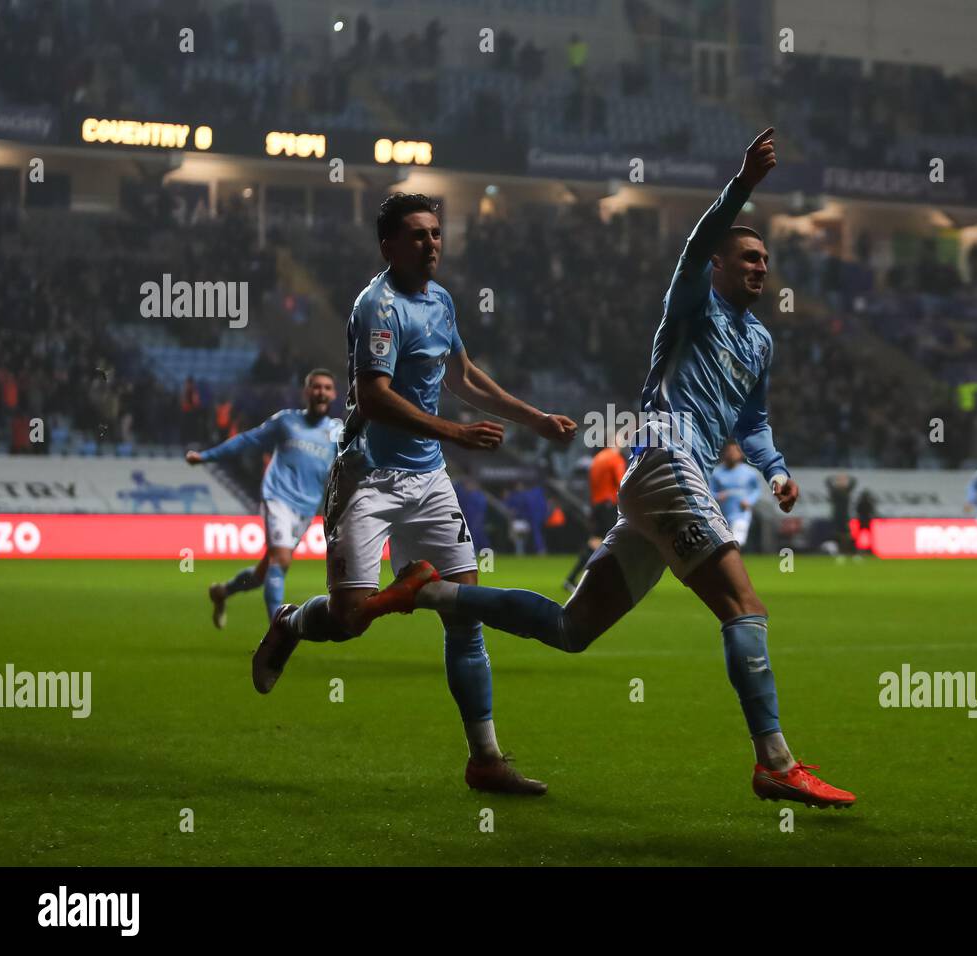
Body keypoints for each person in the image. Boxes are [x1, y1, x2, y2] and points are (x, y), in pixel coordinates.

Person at [372, 131, 855, 809]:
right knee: (744, 606)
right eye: (747, 256)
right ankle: (775, 761)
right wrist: (742, 183)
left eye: (766, 259)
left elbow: (753, 422)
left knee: (572, 631)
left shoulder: (761, 340)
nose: (760, 267)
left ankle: (427, 591)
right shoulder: (691, 304)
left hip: (666, 481)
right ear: (715, 264)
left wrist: (775, 471)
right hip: (667, 456)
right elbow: (697, 241)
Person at [251, 193, 578, 796]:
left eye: (436, 234)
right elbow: (373, 396)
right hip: (368, 478)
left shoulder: (441, 301)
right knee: (350, 621)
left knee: (466, 614)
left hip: (428, 480)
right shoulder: (376, 306)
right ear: (389, 246)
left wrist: (534, 419)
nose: (432, 244)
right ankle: (291, 623)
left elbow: (464, 377)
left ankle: (485, 759)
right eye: (418, 236)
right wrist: (456, 431)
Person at [186, 369, 340, 624]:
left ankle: (222, 592)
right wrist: (206, 456)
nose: (321, 392)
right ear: (306, 391)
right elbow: (247, 440)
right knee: (280, 560)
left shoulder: (337, 433)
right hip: (277, 498)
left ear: (333, 394)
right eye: (316, 386)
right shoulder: (286, 422)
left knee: (263, 573)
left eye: (326, 387)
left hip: (306, 508)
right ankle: (276, 634)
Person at [563, 434, 627, 591]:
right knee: (616, 541)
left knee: (598, 541)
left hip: (597, 505)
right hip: (609, 505)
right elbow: (622, 483)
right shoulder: (614, 458)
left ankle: (574, 578)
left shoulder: (597, 460)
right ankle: (576, 578)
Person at [711, 440, 762, 548]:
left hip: (741, 514)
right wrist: (717, 496)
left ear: (741, 454)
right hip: (722, 514)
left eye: (734, 451)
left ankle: (734, 563)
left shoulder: (750, 473)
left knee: (737, 541)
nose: (731, 453)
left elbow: (756, 491)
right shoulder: (716, 473)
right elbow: (709, 491)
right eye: (729, 451)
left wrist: (749, 501)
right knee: (725, 543)